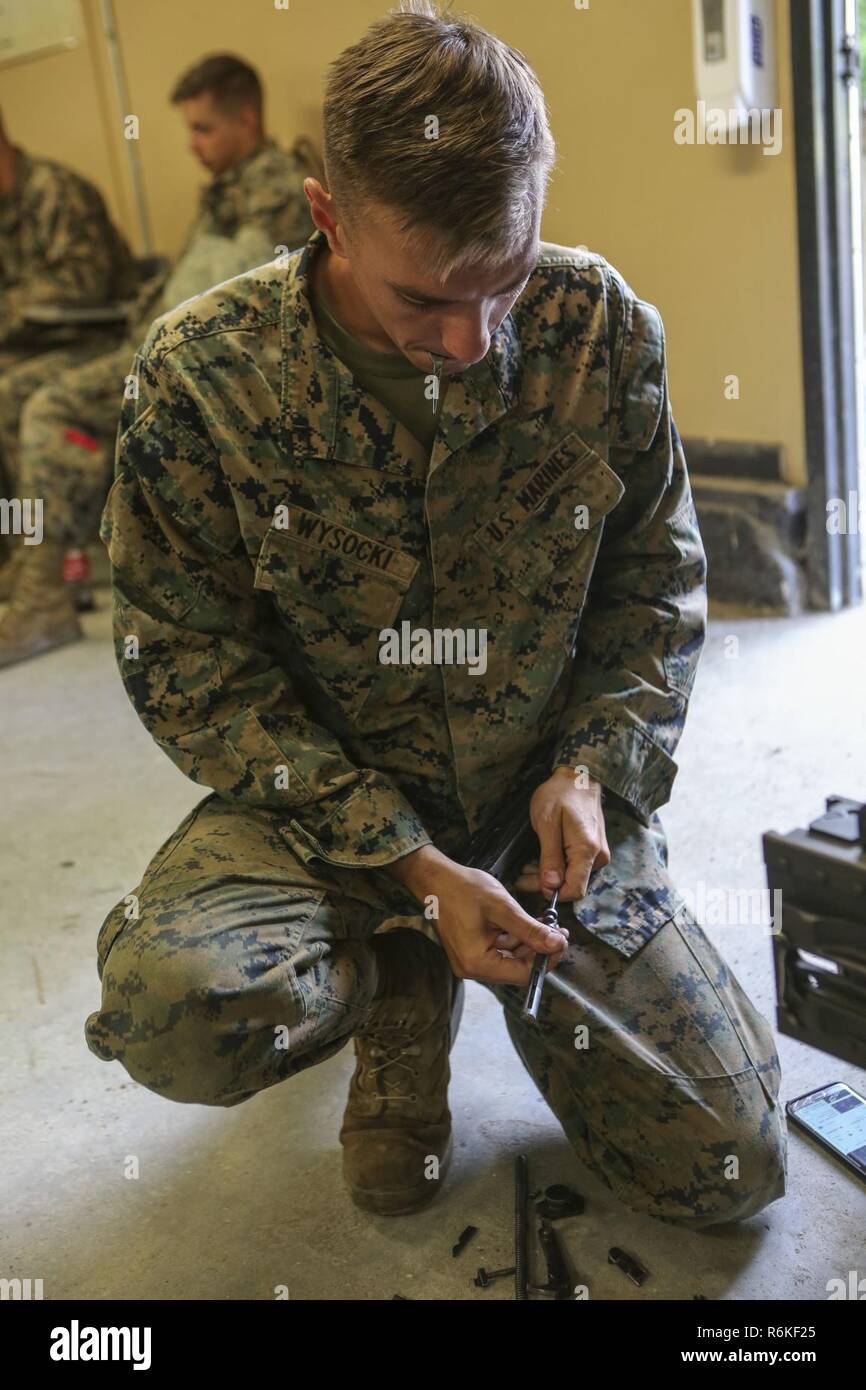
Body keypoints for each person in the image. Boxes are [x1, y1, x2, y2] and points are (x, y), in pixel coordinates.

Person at [85, 2, 787, 1230]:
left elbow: (653, 579)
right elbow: (182, 659)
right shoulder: (202, 378)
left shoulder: (600, 328)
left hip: (536, 809)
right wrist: (405, 865)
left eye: (502, 282)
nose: (471, 340)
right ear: (325, 216)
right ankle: (402, 981)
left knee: (725, 1165)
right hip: (330, 816)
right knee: (171, 1006)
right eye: (424, 299)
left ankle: (510, 970)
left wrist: (589, 768)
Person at [0, 53, 313, 667]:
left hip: (204, 361)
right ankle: (38, 565)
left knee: (49, 406)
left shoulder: (275, 191)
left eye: (203, 129)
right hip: (157, 344)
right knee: (13, 392)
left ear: (246, 119)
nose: (193, 146)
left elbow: (235, 301)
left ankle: (45, 598)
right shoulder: (229, 190)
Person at [0, 108, 137, 513]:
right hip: (37, 342)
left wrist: (8, 309)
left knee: (7, 393)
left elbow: (84, 285)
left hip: (97, 337)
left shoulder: (57, 191)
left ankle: (44, 542)